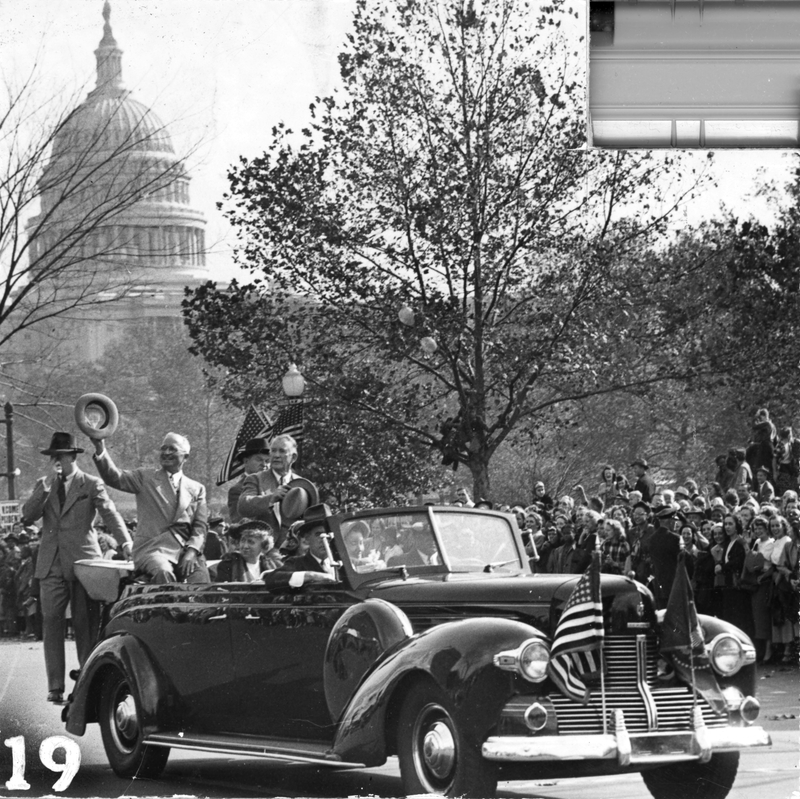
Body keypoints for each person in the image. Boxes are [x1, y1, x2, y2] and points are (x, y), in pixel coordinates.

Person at [22, 432, 131, 703]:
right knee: (51, 622)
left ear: (72, 456)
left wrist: (126, 542)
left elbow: (110, 514)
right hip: (50, 564)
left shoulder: (90, 484)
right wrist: (44, 488)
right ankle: (55, 686)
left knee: (85, 623)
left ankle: (85, 683)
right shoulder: (44, 486)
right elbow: (27, 515)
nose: (58, 461)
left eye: (62, 456)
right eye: (54, 457)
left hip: (82, 562)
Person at [91, 432, 209, 584]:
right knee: (163, 573)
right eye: (163, 448)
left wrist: (192, 551)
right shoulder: (145, 477)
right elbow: (115, 477)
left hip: (184, 552)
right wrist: (100, 448)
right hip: (152, 550)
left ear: (185, 456)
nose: (166, 453)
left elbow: (200, 526)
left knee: (200, 581)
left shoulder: (197, 488)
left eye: (172, 449)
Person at [237, 435, 312, 548]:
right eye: (273, 451)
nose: (276, 455)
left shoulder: (303, 485)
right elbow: (243, 506)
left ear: (294, 457)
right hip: (265, 550)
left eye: (282, 451)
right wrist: (271, 498)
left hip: (294, 551)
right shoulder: (256, 479)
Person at [262, 506, 339, 589]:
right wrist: (311, 575)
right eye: (318, 535)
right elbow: (272, 579)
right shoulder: (297, 563)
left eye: (328, 534)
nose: (325, 539)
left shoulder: (343, 563)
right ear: (307, 539)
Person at [215, 519, 282, 582]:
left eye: (251, 542)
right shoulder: (227, 566)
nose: (245, 546)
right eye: (243, 541)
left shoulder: (274, 566)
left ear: (263, 545)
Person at [227, 438, 270, 523]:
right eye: (259, 460)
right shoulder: (237, 490)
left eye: (267, 461)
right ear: (246, 461)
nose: (264, 464)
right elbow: (241, 523)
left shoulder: (275, 485)